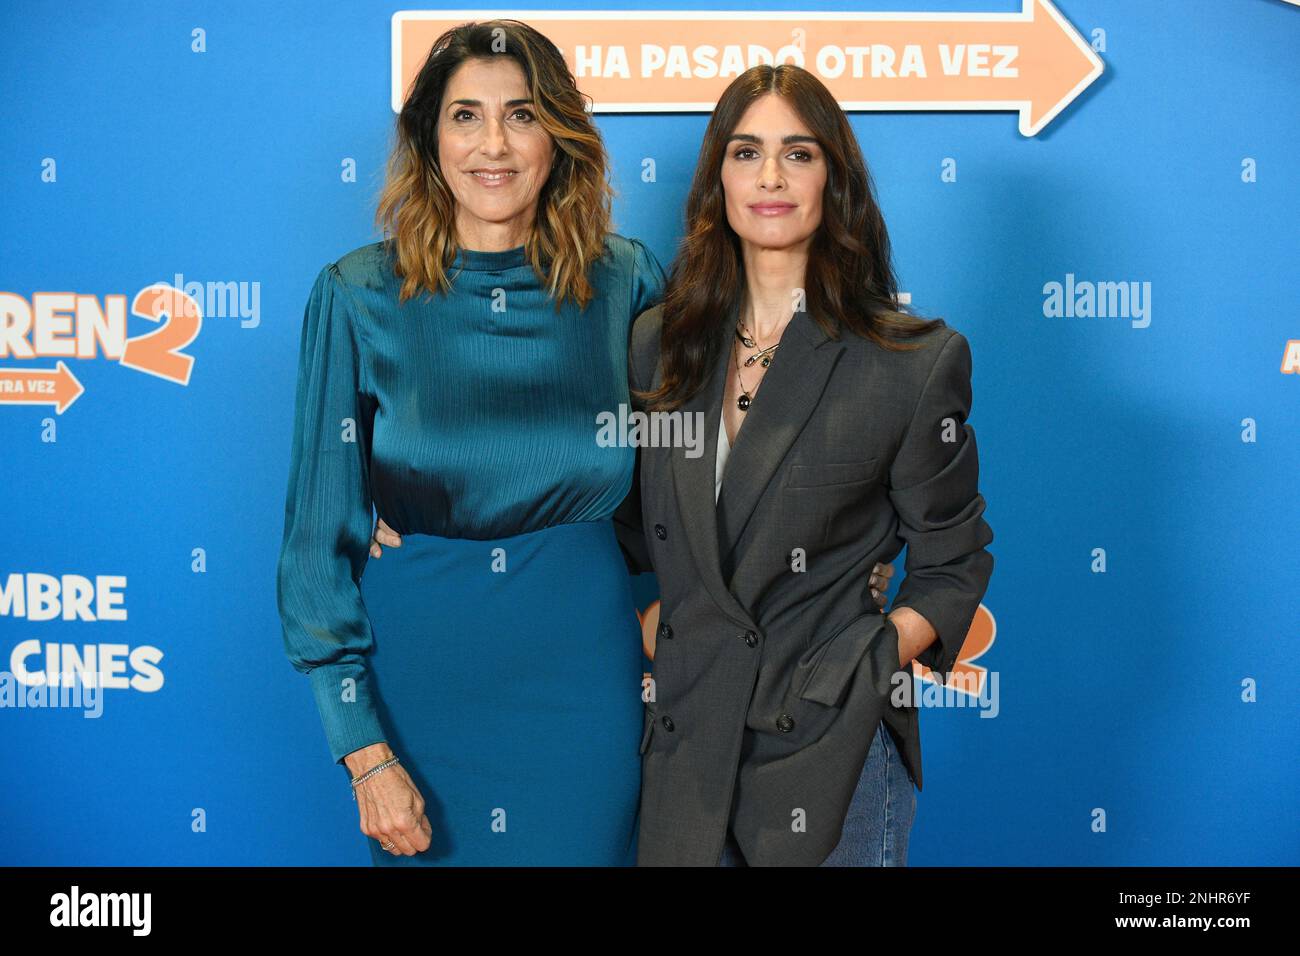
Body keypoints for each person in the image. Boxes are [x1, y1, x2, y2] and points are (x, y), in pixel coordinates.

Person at [275, 20, 667, 865]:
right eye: (465, 116)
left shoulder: (625, 282)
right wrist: (364, 753)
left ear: (557, 136)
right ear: (428, 137)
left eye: (521, 115)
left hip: (583, 686)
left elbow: (684, 486)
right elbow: (316, 544)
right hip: (420, 687)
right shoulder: (356, 296)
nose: (494, 144)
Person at [623, 63, 995, 866]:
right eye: (746, 151)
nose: (769, 176)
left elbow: (953, 563)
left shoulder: (911, 360)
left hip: (830, 758)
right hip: (683, 752)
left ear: (836, 177)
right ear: (717, 175)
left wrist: (859, 663)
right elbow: (621, 529)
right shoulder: (659, 344)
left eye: (799, 153)